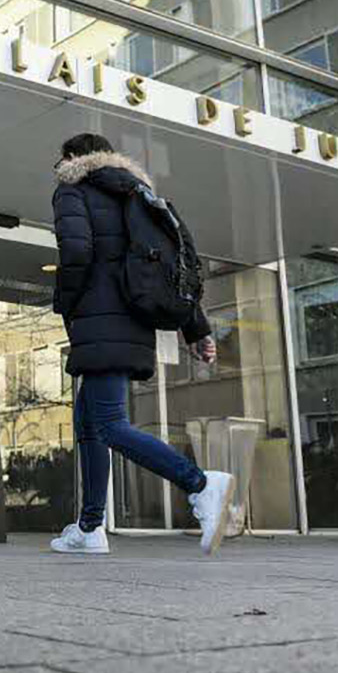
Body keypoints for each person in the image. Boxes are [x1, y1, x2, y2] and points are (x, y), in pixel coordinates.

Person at [47, 133, 234, 556]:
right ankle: (90, 527)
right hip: (133, 321)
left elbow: (76, 250)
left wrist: (65, 303)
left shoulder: (72, 189)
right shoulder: (139, 194)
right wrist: (196, 328)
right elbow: (173, 268)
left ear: (72, 158)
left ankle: (201, 484)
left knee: (110, 424)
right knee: (90, 426)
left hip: (99, 320)